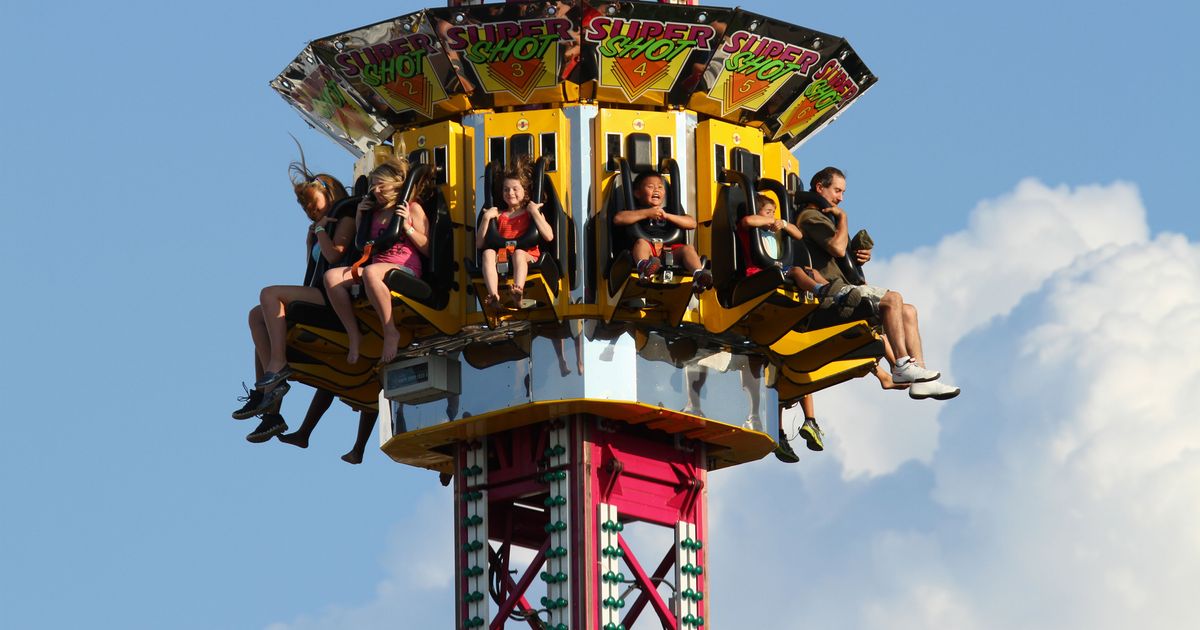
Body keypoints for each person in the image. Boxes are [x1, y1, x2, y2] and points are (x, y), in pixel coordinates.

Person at [798, 167, 959, 400]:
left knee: (909, 311)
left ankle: (920, 376)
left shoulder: (824, 219)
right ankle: (902, 364)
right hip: (833, 292)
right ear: (819, 188)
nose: (840, 198)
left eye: (843, 192)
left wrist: (858, 254)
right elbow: (836, 247)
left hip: (846, 284)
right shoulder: (810, 216)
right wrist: (843, 218)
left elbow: (840, 253)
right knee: (893, 299)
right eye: (836, 190)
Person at [233, 167, 352, 442]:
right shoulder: (321, 226)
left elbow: (335, 257)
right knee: (258, 315)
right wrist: (312, 238)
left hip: (336, 297)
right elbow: (313, 270)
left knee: (268, 294)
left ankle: (279, 365)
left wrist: (321, 231)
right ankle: (270, 406)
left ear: (328, 193)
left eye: (313, 204)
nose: (309, 210)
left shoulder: (345, 217)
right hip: (318, 292)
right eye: (305, 207)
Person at [324, 157, 430, 365]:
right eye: (374, 186)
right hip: (377, 265)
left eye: (381, 186)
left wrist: (408, 227)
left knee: (372, 272)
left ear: (395, 184)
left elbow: (427, 247)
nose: (377, 191)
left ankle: (390, 331)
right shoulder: (374, 212)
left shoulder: (413, 208)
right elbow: (361, 243)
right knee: (332, 277)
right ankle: (354, 334)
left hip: (405, 267)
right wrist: (360, 216)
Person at [738, 193, 860, 309]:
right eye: (768, 212)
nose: (772, 217)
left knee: (812, 272)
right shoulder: (751, 231)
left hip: (777, 268)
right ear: (756, 212)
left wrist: (784, 224)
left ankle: (838, 295)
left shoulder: (774, 231)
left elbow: (798, 235)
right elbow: (747, 221)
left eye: (773, 213)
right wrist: (771, 221)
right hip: (759, 272)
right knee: (796, 271)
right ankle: (820, 291)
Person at [614, 172, 713, 292]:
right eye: (650, 187)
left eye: (660, 187)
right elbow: (618, 219)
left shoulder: (668, 211)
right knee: (641, 243)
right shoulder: (636, 211)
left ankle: (699, 275)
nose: (656, 190)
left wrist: (667, 216)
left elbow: (691, 223)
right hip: (648, 252)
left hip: (668, 252)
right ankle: (644, 268)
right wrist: (646, 213)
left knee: (688, 249)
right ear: (637, 193)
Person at [476, 156, 554, 308]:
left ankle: (518, 291)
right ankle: (494, 295)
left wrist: (535, 212)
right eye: (506, 189)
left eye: (514, 189)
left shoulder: (530, 213)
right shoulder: (498, 215)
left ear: (525, 191)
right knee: (488, 253)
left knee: (518, 253)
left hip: (527, 255)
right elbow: (479, 244)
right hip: (504, 255)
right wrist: (486, 218)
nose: (510, 193)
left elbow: (549, 236)